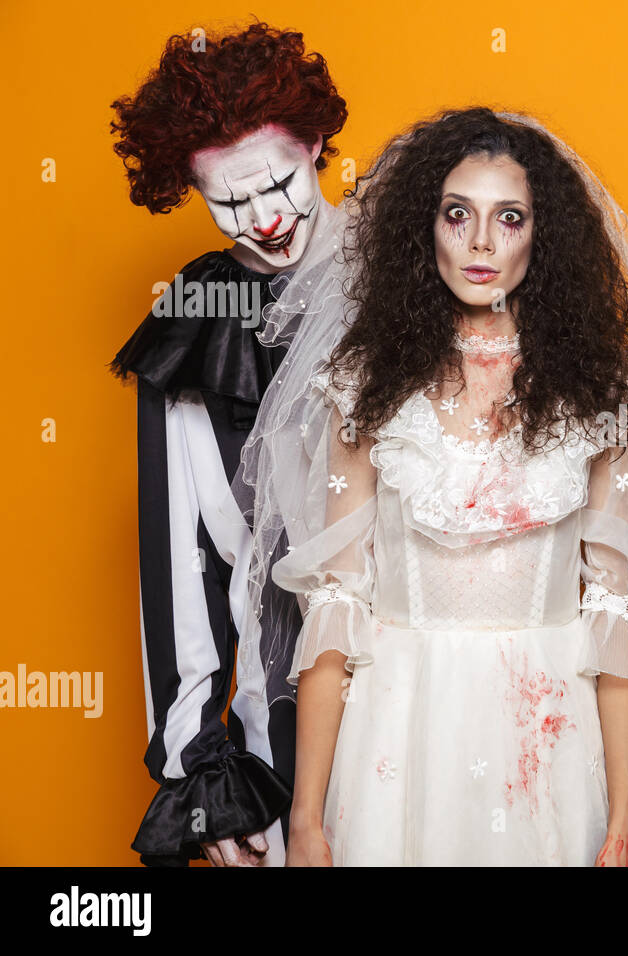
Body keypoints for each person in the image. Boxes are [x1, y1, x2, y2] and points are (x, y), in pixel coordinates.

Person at [236, 108, 628, 865]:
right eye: (457, 213)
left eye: (510, 218)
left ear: (544, 235)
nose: (480, 243)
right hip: (397, 739)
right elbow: (334, 610)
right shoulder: (364, 390)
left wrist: (625, 815)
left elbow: (616, 616)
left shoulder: (605, 398)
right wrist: (305, 817)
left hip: (550, 744)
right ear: (422, 227)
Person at [108, 20, 348, 867]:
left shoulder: (425, 268)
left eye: (279, 181)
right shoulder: (194, 328)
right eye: (227, 200)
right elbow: (184, 568)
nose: (265, 219)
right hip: (277, 734)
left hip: (441, 687)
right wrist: (203, 778)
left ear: (317, 143)